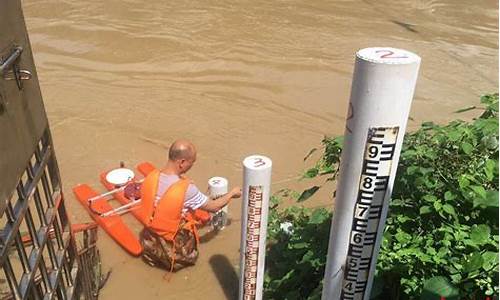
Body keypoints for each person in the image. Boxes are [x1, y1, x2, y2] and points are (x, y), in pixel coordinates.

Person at [138, 139, 241, 271]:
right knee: (190, 257)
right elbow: (214, 207)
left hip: (149, 242)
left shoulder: (151, 177)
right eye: (191, 163)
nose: (191, 166)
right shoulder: (187, 190)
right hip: (170, 248)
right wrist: (232, 193)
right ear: (182, 162)